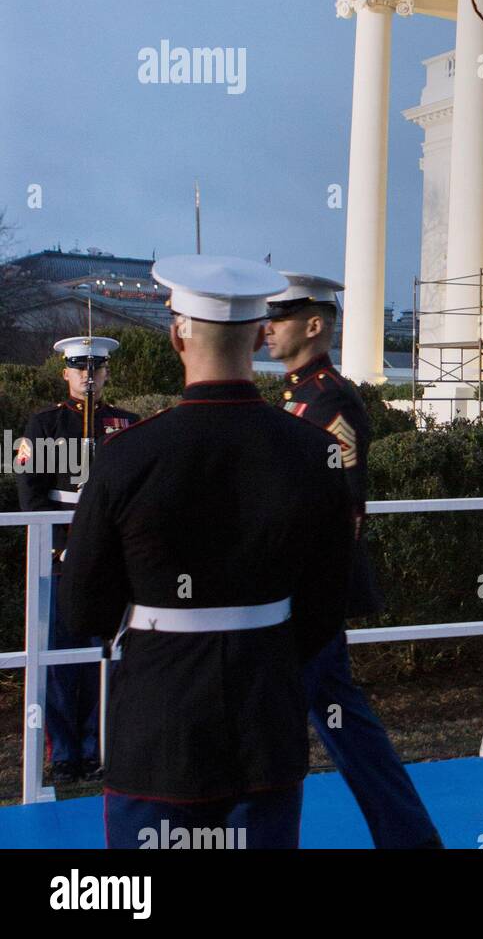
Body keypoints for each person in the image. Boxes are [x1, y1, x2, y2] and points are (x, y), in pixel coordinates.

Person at [61, 256, 353, 850]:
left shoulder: (128, 454)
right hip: (264, 716)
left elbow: (84, 609)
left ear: (176, 335)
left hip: (158, 718)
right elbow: (328, 604)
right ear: (256, 333)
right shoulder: (311, 452)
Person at [264, 271, 444, 849]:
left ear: (314, 325)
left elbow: (338, 510)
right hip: (305, 597)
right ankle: (411, 840)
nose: (268, 327)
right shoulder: (298, 395)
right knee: (348, 729)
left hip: (305, 598)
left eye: (281, 316)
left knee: (277, 733)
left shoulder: (329, 399)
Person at [14, 336, 138, 786]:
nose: (89, 375)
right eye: (79, 367)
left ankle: (96, 748)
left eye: (97, 367)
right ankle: (64, 754)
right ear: (65, 372)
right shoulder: (45, 424)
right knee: (61, 657)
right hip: (63, 552)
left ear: (106, 373)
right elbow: (30, 490)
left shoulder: (127, 425)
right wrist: (54, 546)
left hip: (112, 555)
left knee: (105, 655)